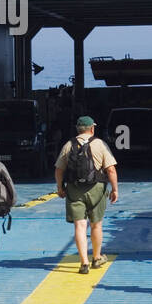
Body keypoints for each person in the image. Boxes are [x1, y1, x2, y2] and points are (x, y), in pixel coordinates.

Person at [54, 115, 119, 273]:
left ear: (78, 129)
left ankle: (83, 263)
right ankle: (96, 258)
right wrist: (115, 189)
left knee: (80, 225)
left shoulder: (69, 145)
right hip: (96, 188)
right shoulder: (100, 144)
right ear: (92, 128)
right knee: (96, 224)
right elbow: (110, 169)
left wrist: (60, 188)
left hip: (74, 188)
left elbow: (59, 170)